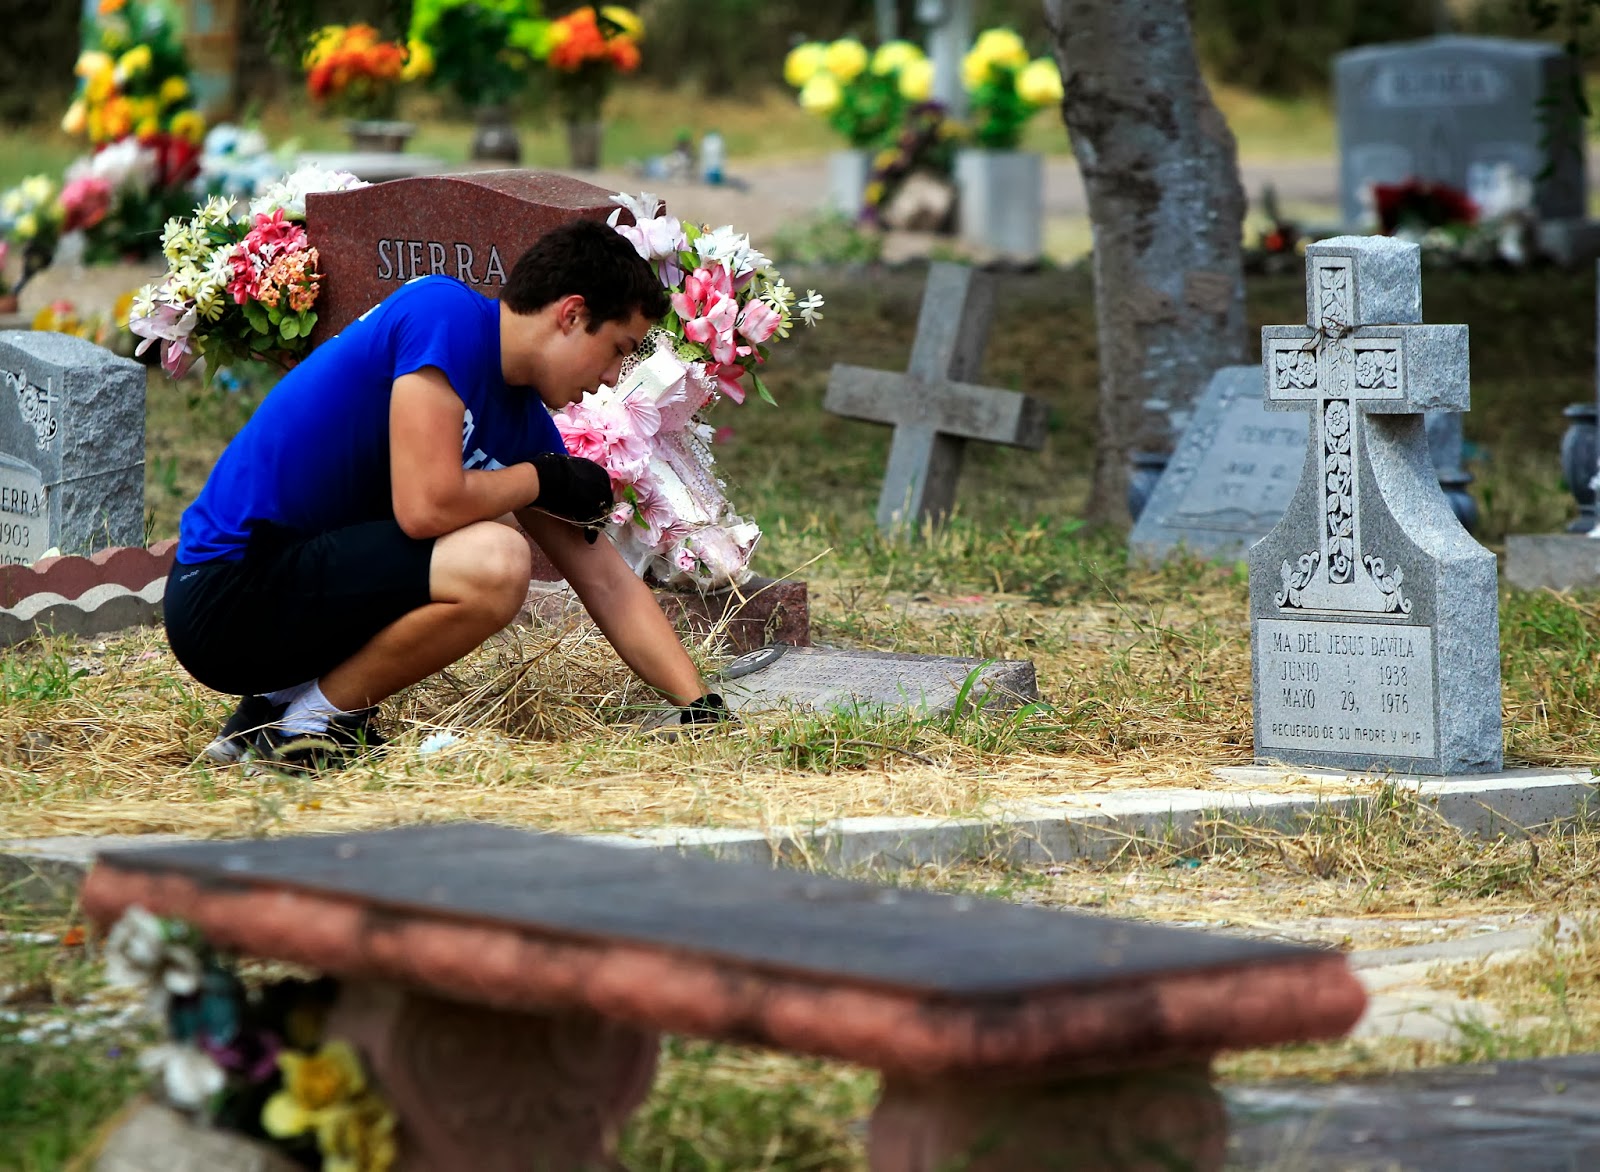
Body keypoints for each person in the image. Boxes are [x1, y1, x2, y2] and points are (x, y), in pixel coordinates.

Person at [164, 218, 730, 771]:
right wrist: (542, 478)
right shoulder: (445, 314)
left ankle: (272, 711)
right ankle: (307, 728)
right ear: (572, 314)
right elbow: (425, 507)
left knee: (484, 533)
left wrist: (700, 707)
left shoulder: (524, 426)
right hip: (226, 590)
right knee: (496, 557)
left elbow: (605, 581)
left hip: (291, 604)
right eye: (616, 349)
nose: (612, 376)